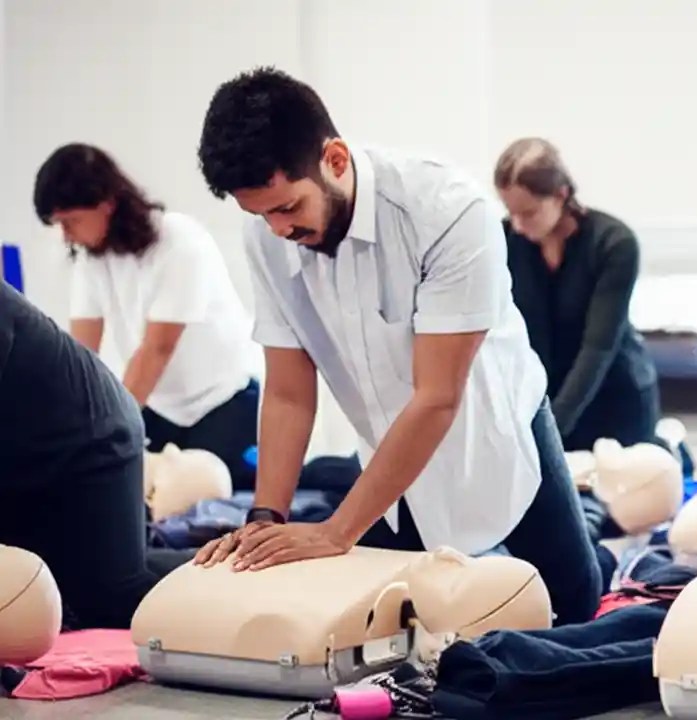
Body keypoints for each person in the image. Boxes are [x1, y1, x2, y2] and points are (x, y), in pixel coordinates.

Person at [189, 67, 602, 625]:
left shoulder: (447, 209)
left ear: (334, 160)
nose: (278, 228)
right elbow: (288, 392)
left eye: (288, 208)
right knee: (415, 626)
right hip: (390, 457)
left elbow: (437, 397)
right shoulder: (267, 236)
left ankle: (595, 528)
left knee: (573, 605)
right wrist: (266, 516)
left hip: (497, 430)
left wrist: (337, 532)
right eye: (261, 214)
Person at [34, 143, 261, 492]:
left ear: (107, 203)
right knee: (128, 487)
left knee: (213, 489)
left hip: (222, 400)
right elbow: (80, 358)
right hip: (162, 407)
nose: (66, 236)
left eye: (71, 221)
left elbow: (157, 349)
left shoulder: (179, 241)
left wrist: (110, 429)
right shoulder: (90, 261)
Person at [0, 281, 160, 629]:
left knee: (113, 598)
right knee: (47, 584)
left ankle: (243, 566)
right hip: (19, 456)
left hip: (90, 441)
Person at [495, 137, 660, 451]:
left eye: (528, 213)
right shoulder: (505, 240)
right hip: (543, 399)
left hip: (612, 399)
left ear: (562, 195)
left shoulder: (613, 243)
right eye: (510, 212)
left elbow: (597, 348)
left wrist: (550, 431)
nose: (517, 224)